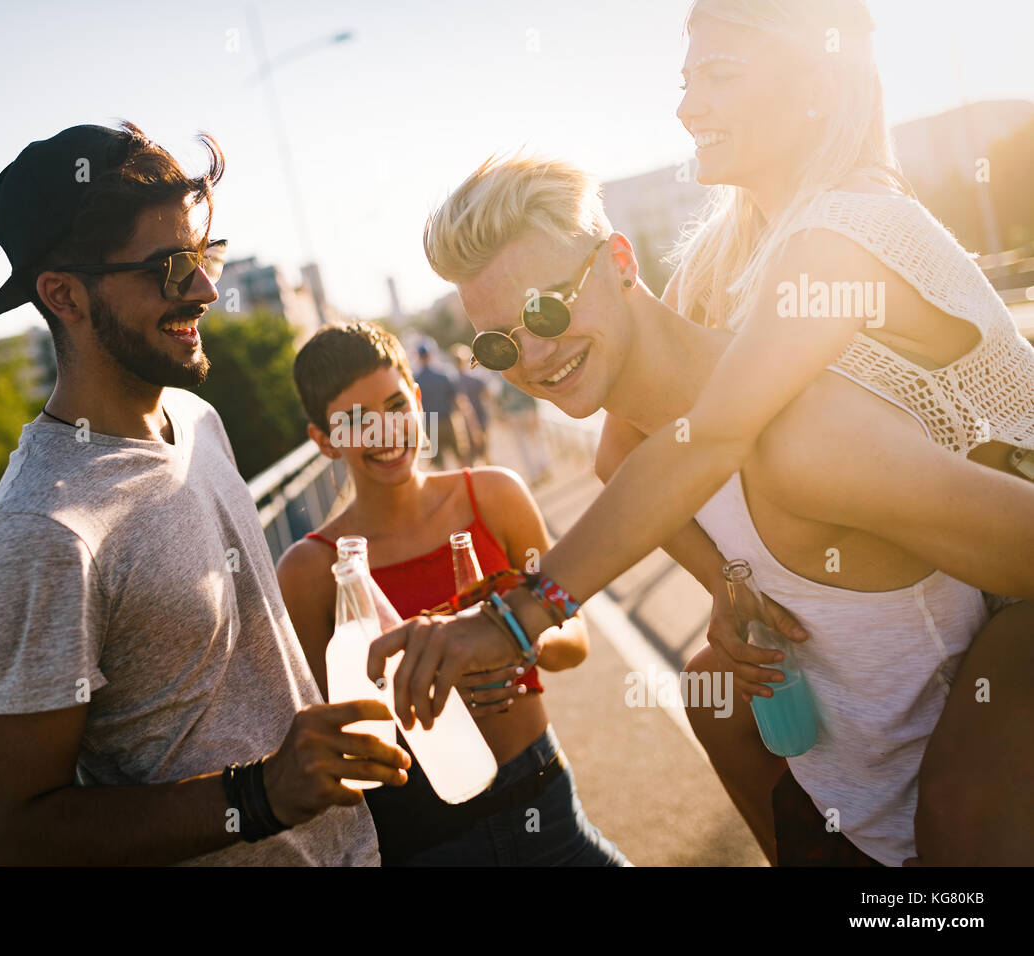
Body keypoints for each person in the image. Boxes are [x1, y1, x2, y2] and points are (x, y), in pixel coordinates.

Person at [370, 149, 1034, 868]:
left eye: (546, 307)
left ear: (621, 262)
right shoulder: (640, 448)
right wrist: (724, 579)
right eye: (500, 344)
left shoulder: (803, 429)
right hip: (851, 828)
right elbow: (616, 464)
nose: (533, 354)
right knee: (709, 695)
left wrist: (514, 621)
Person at [0, 122, 408, 866]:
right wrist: (259, 795)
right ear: (64, 294)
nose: (206, 289)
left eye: (204, 257)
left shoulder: (198, 419)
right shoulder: (39, 532)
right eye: (171, 269)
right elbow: (19, 834)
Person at [276, 321, 629, 866]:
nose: (385, 432)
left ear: (418, 399)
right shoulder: (309, 569)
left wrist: (509, 637)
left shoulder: (494, 495)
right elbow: (335, 733)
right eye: (354, 421)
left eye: (396, 405)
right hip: (425, 838)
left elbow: (575, 637)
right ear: (323, 441)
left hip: (547, 803)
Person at [412, 342, 476, 468]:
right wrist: (472, 426)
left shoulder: (416, 379)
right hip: (449, 420)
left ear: (419, 357)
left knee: (439, 465)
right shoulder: (444, 374)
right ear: (431, 355)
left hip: (430, 425)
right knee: (462, 458)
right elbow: (460, 400)